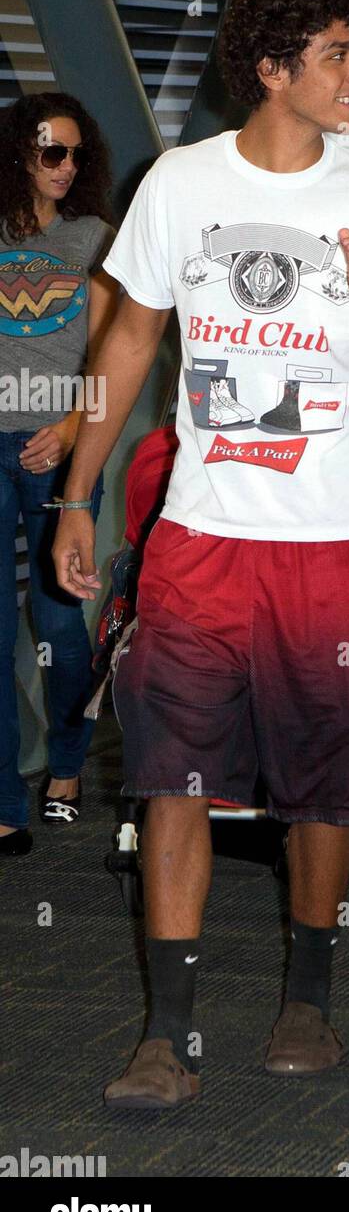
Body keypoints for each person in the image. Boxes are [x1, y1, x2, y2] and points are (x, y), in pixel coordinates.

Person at [53, 0, 349, 1108]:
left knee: (324, 782)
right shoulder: (182, 182)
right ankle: (165, 1032)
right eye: (337, 53)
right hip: (200, 537)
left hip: (325, 539)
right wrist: (79, 488)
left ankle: (305, 999)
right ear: (272, 70)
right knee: (168, 774)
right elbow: (127, 343)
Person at [0, 92, 117, 855]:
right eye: (52, 153)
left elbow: (114, 349)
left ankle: (69, 763)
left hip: (59, 449)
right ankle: (5, 800)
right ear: (18, 154)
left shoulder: (96, 237)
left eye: (77, 154)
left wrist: (74, 426)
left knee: (56, 616)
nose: (67, 167)